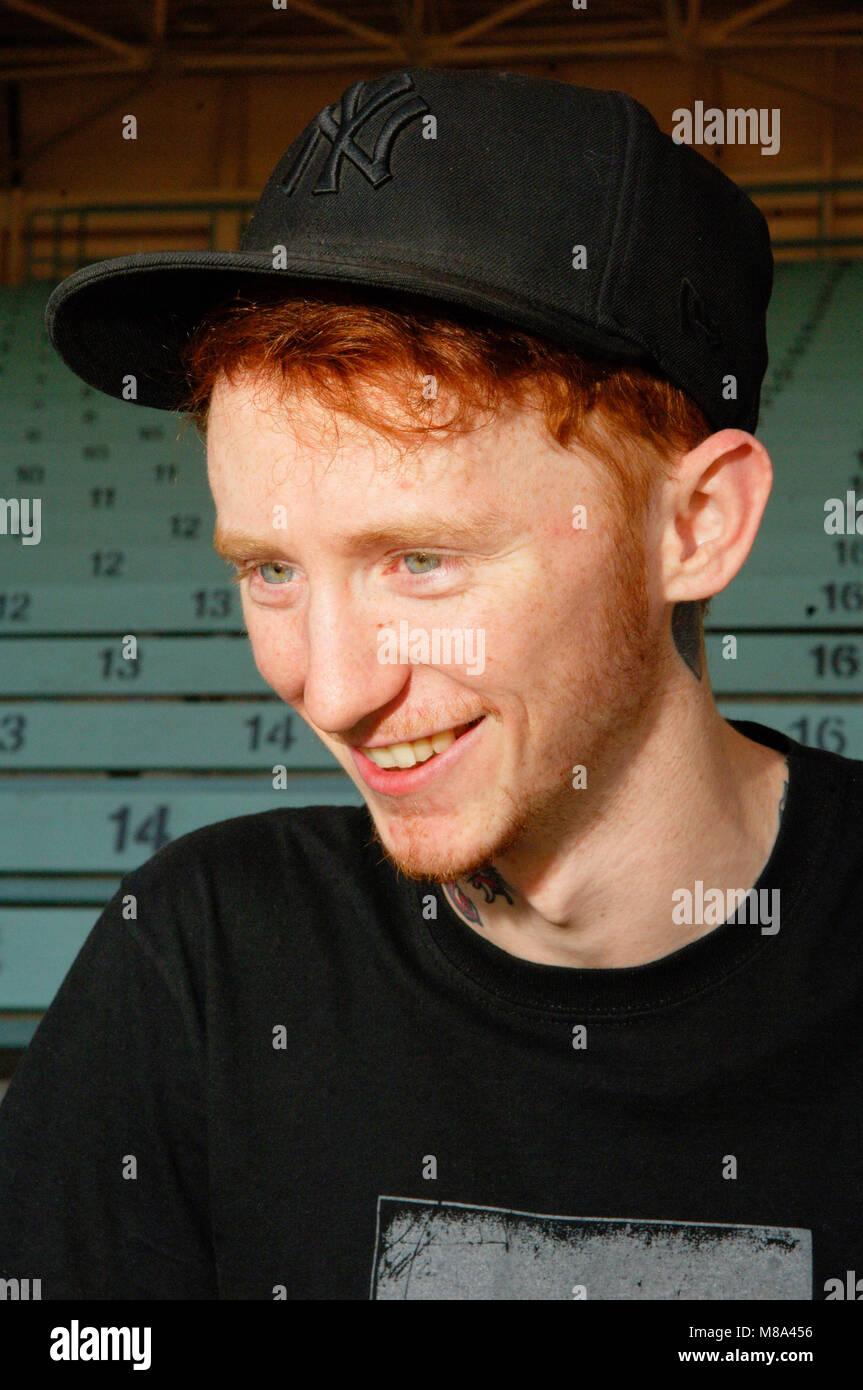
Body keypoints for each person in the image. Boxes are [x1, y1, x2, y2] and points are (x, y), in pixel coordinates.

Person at [0, 67, 860, 1302]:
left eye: (420, 560)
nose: (333, 691)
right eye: (271, 568)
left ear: (697, 523)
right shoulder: (197, 962)